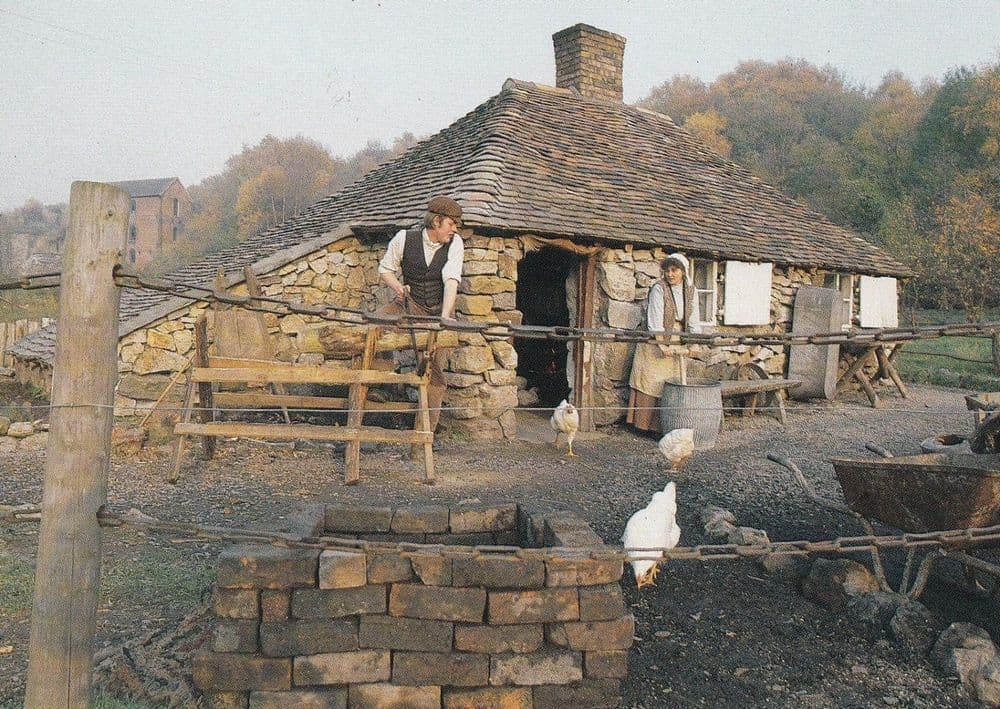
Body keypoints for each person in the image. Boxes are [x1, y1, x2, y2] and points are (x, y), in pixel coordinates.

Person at [376, 195, 465, 435]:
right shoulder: (404, 239)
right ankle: (380, 382)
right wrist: (398, 288)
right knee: (376, 323)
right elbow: (385, 269)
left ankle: (425, 433)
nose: (455, 229)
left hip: (438, 309)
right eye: (451, 224)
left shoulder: (455, 244)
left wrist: (445, 317)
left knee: (434, 371)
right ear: (437, 222)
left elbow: (451, 280)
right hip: (410, 305)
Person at [627, 252, 701, 434]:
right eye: (667, 270)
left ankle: (667, 424)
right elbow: (655, 321)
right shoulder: (659, 289)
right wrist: (662, 345)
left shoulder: (691, 290)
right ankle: (646, 426)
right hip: (656, 339)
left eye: (674, 270)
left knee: (670, 383)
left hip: (677, 339)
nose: (670, 274)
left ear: (683, 271)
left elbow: (693, 319)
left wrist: (694, 343)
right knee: (651, 382)